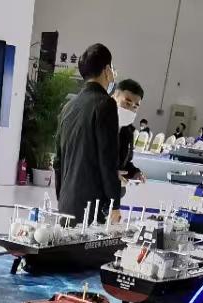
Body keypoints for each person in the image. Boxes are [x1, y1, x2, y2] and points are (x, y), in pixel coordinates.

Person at [54, 43, 122, 225]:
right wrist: (115, 204)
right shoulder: (105, 104)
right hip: (92, 206)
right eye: (112, 68)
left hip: (66, 202)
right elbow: (107, 159)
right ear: (106, 70)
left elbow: (58, 160)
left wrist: (62, 197)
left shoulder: (68, 106)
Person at [112, 77, 144, 186]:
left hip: (115, 190)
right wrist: (110, 174)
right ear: (114, 97)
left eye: (135, 107)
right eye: (127, 103)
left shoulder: (128, 131)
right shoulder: (98, 124)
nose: (130, 109)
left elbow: (124, 164)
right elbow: (85, 160)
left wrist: (134, 173)